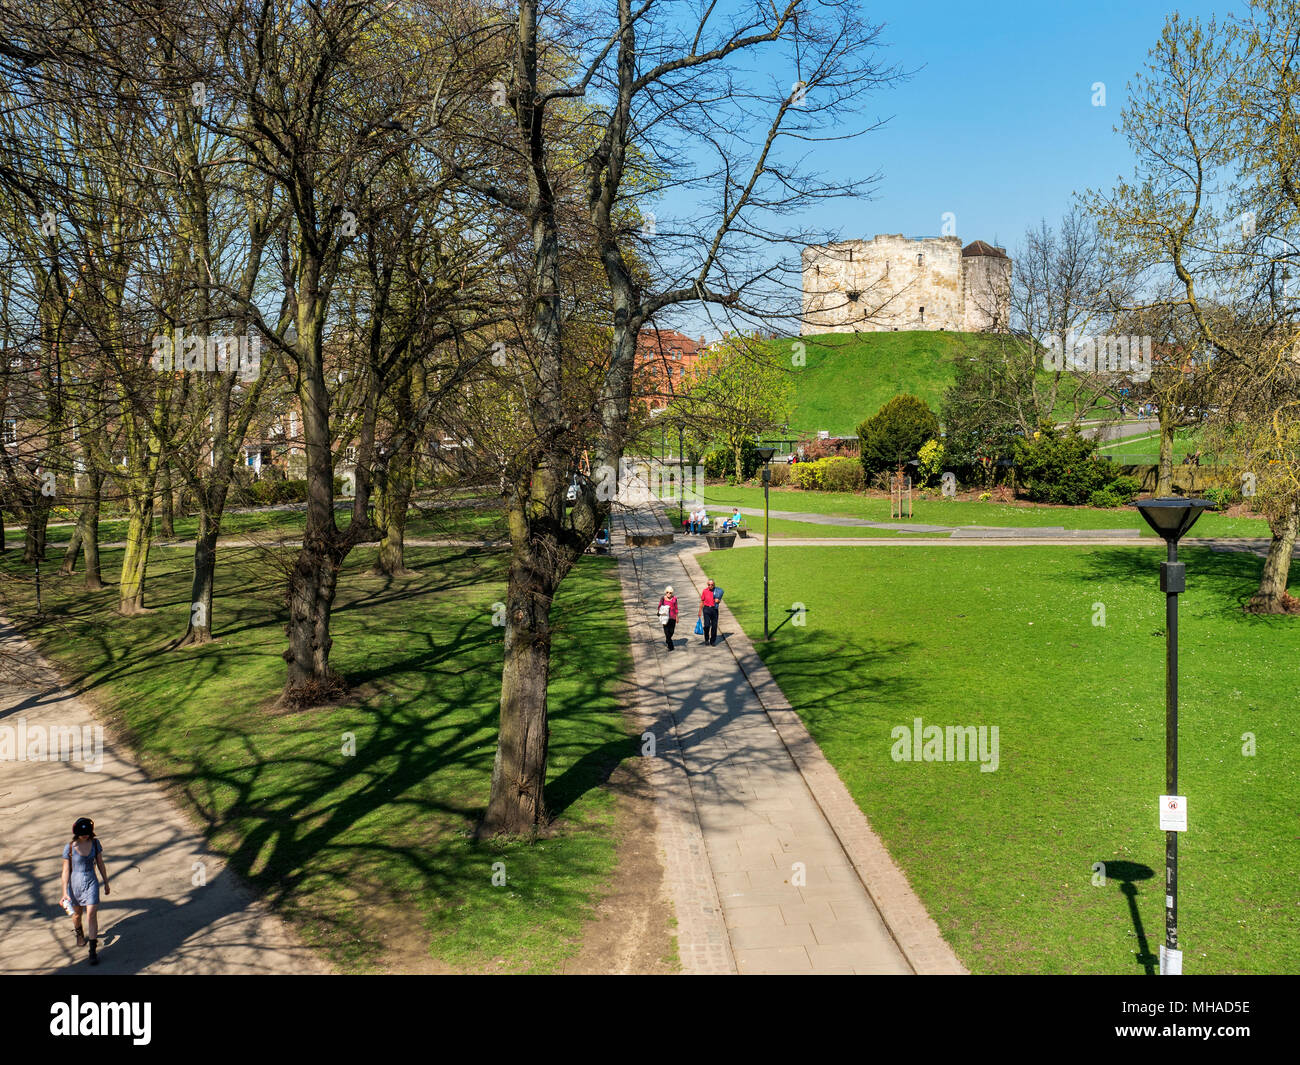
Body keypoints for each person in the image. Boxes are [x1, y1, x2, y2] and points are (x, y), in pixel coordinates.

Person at [61, 817, 109, 966]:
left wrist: (106, 882)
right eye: (82, 834)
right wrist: (64, 892)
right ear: (76, 833)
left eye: (88, 833)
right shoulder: (69, 847)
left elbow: (100, 863)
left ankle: (93, 951)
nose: (85, 836)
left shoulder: (95, 843)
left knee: (91, 915)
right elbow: (66, 870)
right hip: (74, 885)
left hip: (91, 883)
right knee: (76, 915)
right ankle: (79, 934)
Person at [698, 578, 724, 645]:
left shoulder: (717, 591)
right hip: (706, 609)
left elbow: (719, 599)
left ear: (714, 585)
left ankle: (713, 641)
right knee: (706, 625)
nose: (710, 586)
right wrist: (700, 611)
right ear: (707, 585)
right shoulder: (705, 591)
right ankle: (706, 639)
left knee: (714, 626)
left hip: (714, 610)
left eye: (712, 585)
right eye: (709, 585)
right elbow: (702, 601)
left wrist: (718, 601)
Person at [657, 585, 679, 650]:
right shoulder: (662, 599)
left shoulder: (674, 599)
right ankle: (670, 646)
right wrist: (663, 608)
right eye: (667, 592)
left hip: (673, 617)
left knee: (671, 631)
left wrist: (677, 617)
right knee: (666, 632)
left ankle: (668, 639)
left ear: (672, 593)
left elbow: (676, 608)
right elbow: (659, 607)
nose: (668, 594)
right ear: (665, 592)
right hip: (665, 618)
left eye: (670, 593)